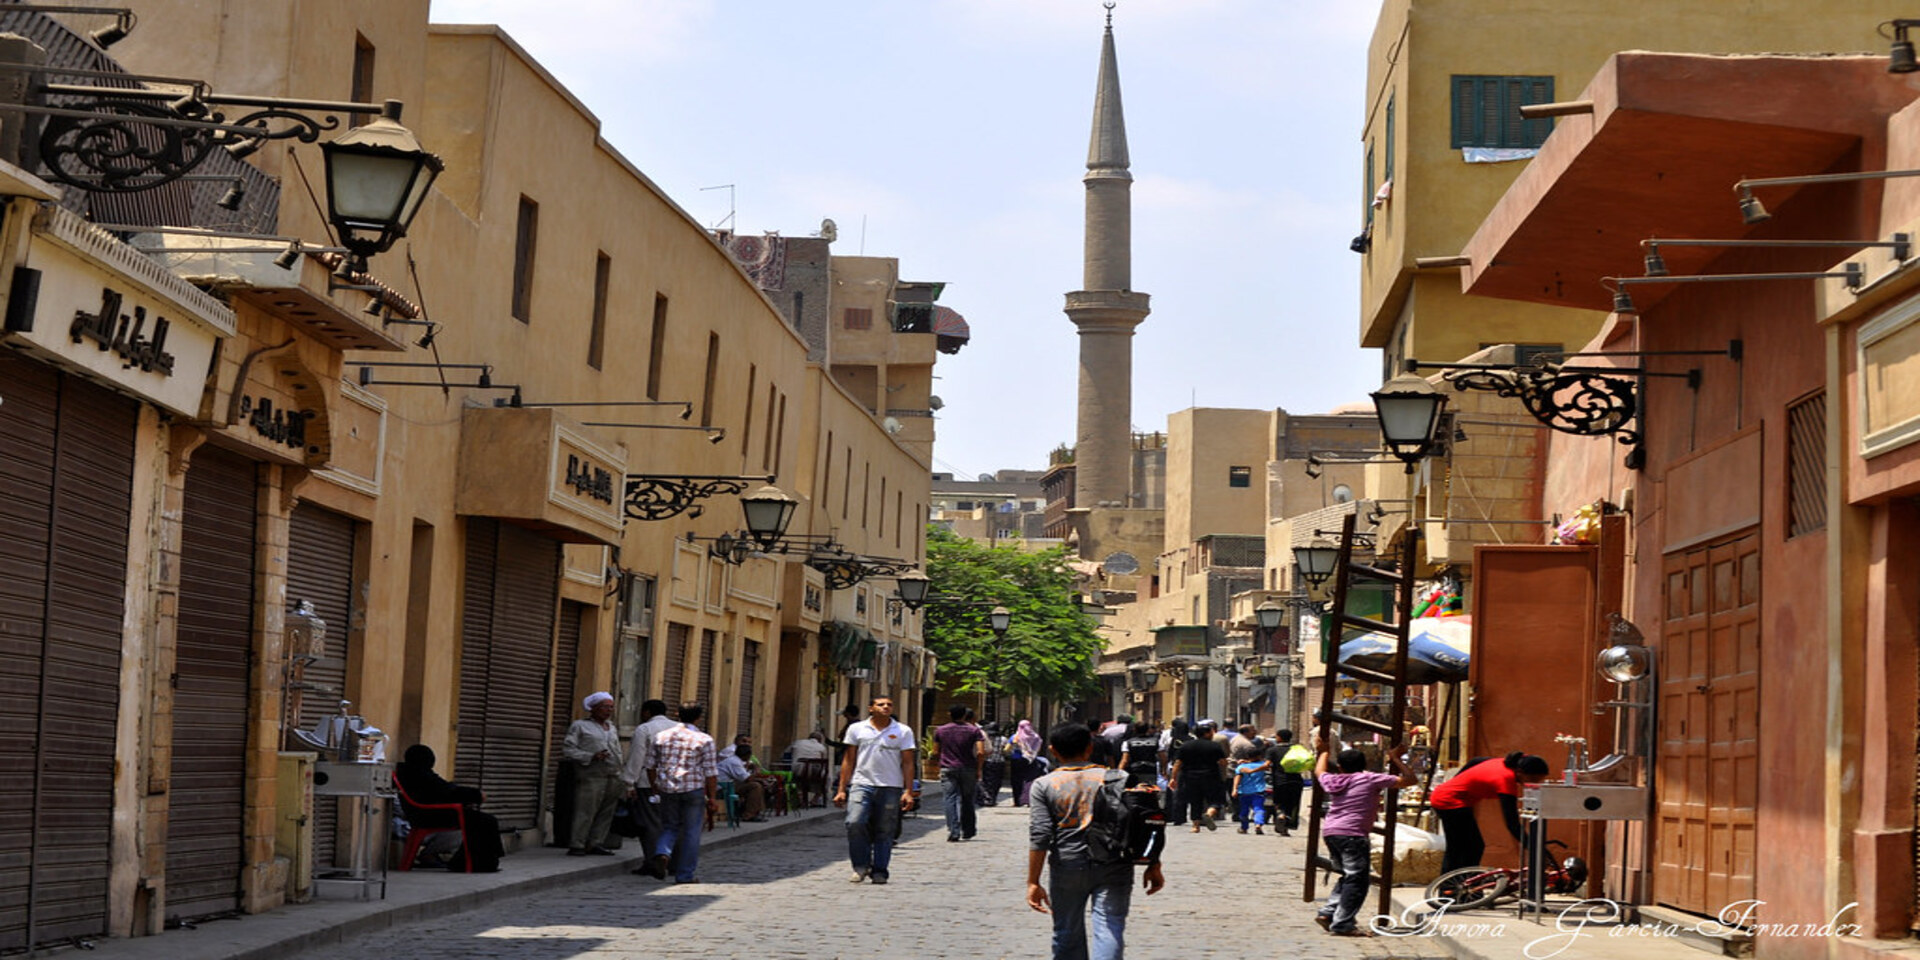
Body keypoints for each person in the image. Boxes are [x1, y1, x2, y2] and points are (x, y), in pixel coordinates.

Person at [1025, 722, 1166, 960]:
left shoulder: (1044, 784)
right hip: (1115, 861)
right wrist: (1154, 863)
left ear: (1052, 750)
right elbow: (1144, 823)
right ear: (1090, 748)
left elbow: (1040, 834)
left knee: (1066, 931)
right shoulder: (1120, 778)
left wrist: (1033, 881)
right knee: (1110, 927)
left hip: (1067, 863)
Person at [1314, 746, 1416, 937]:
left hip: (1331, 832)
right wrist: (1395, 759)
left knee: (1348, 876)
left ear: (1340, 767)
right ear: (1364, 764)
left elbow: (1319, 771)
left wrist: (1324, 752)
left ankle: (1328, 913)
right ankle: (1342, 924)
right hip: (1353, 834)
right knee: (1358, 880)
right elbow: (1410, 780)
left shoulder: (1333, 779)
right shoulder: (1370, 778)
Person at [834, 696, 918, 884]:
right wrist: (841, 789)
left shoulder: (903, 731)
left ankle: (880, 870)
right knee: (854, 822)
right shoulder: (857, 729)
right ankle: (860, 866)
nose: (886, 707)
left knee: (885, 830)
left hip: (891, 786)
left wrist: (908, 791)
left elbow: (907, 762)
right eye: (881, 704)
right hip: (861, 783)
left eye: (889, 704)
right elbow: (849, 760)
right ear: (871, 708)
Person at [1429, 751, 1551, 873]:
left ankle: (1461, 884)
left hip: (1451, 798)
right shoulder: (1505, 780)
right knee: (1465, 846)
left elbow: (1475, 760)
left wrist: (1455, 782)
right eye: (1533, 779)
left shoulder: (1502, 763)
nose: (1535, 783)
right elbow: (1512, 824)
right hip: (1448, 801)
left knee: (1467, 846)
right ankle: (1451, 887)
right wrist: (1535, 849)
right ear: (1520, 772)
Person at [393, 744, 504, 872]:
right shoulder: (420, 775)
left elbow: (443, 790)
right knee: (486, 820)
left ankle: (479, 862)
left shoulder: (411, 773)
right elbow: (447, 791)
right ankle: (479, 863)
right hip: (430, 815)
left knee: (483, 819)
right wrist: (476, 795)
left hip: (427, 813)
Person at [646, 702, 720, 884]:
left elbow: (650, 765)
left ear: (677, 714)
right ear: (699, 717)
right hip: (693, 788)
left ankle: (662, 852)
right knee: (691, 832)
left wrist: (654, 784)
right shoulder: (704, 739)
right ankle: (684, 874)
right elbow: (710, 772)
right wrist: (712, 797)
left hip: (667, 788)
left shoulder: (661, 737)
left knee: (669, 826)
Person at [562, 691, 624, 856]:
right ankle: (577, 843)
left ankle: (596, 842)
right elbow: (568, 750)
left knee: (606, 811)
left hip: (612, 775)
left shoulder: (611, 727)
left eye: (611, 707)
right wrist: (591, 756)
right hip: (591, 775)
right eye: (605, 707)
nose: (609, 710)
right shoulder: (580, 726)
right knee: (585, 810)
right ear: (594, 708)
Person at [620, 698, 677, 876]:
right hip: (679, 783)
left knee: (651, 823)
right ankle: (674, 861)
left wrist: (629, 782)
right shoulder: (680, 729)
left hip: (649, 783)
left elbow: (637, 756)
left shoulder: (644, 729)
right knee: (672, 823)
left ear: (646, 712)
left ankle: (654, 861)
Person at [932, 703, 985, 841]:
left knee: (950, 799)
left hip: (948, 768)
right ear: (965, 715)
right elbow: (980, 752)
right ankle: (968, 830)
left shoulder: (940, 730)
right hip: (968, 767)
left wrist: (939, 764)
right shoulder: (974, 731)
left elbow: (935, 751)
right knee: (967, 800)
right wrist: (979, 769)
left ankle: (953, 830)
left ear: (949, 714)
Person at [1169, 719, 1228, 832]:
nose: (1212, 735)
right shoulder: (1214, 746)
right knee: (1216, 800)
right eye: (1211, 732)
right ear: (1206, 734)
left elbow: (1178, 763)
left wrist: (1173, 778)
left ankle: (1195, 826)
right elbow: (1223, 762)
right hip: (1211, 776)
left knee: (1195, 801)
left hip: (1190, 777)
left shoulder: (1186, 746)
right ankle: (1209, 814)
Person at [1264, 729, 1307, 837]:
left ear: (1279, 737)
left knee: (1279, 803)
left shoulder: (1272, 750)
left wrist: (1251, 769)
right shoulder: (1297, 749)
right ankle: (1285, 829)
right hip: (1296, 781)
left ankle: (1281, 815)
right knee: (1292, 805)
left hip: (1280, 781)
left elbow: (1267, 764)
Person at [717, 734, 770, 821]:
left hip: (728, 785)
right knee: (755, 786)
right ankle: (748, 815)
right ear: (747, 755)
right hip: (721, 789)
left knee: (758, 785)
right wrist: (757, 772)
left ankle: (756, 811)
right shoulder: (734, 762)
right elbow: (747, 779)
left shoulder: (736, 761)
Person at [1158, 719, 1191, 825]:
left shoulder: (1174, 740)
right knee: (1184, 792)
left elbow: (1170, 755)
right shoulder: (1191, 739)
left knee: (1174, 792)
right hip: (1189, 768)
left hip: (1175, 768)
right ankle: (1182, 815)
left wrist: (1164, 769)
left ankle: (1173, 815)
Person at [1231, 752, 1271, 835]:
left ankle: (1244, 827)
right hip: (1259, 791)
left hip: (1244, 792)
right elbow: (1268, 767)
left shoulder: (1241, 767)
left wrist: (1234, 789)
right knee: (1258, 808)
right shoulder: (1263, 765)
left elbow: (1237, 778)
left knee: (1244, 811)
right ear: (1259, 756)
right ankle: (1258, 824)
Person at [1010, 719, 1044, 806]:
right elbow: (1038, 749)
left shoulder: (1015, 737)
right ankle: (1028, 800)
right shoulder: (1036, 737)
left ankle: (1017, 801)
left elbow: (1007, 748)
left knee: (1016, 780)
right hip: (1031, 760)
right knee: (1030, 779)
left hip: (1017, 760)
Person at [1119, 721, 1161, 789]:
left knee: (1136, 790)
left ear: (1135, 730)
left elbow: (1125, 760)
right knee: (1151, 790)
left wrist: (1119, 772)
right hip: (1150, 770)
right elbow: (1163, 757)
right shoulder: (1156, 741)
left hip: (1135, 771)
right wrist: (1163, 770)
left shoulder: (1127, 743)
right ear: (1148, 729)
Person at [978, 720, 1010, 807]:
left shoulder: (985, 738)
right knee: (997, 781)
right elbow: (1006, 751)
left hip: (987, 762)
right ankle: (993, 798)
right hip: (999, 762)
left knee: (987, 781)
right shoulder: (1003, 739)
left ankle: (987, 798)